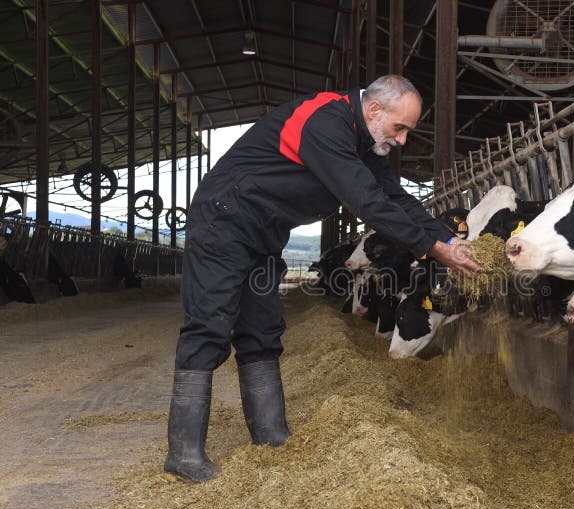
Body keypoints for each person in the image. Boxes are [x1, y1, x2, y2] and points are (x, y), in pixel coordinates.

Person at [164, 74, 482, 483]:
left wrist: (445, 239)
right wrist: (431, 249)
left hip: (263, 234)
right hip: (223, 222)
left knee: (261, 329)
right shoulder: (325, 123)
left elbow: (395, 197)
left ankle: (272, 438)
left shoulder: (364, 142)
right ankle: (184, 456)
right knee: (209, 325)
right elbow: (364, 201)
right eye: (399, 127)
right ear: (373, 110)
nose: (402, 140)